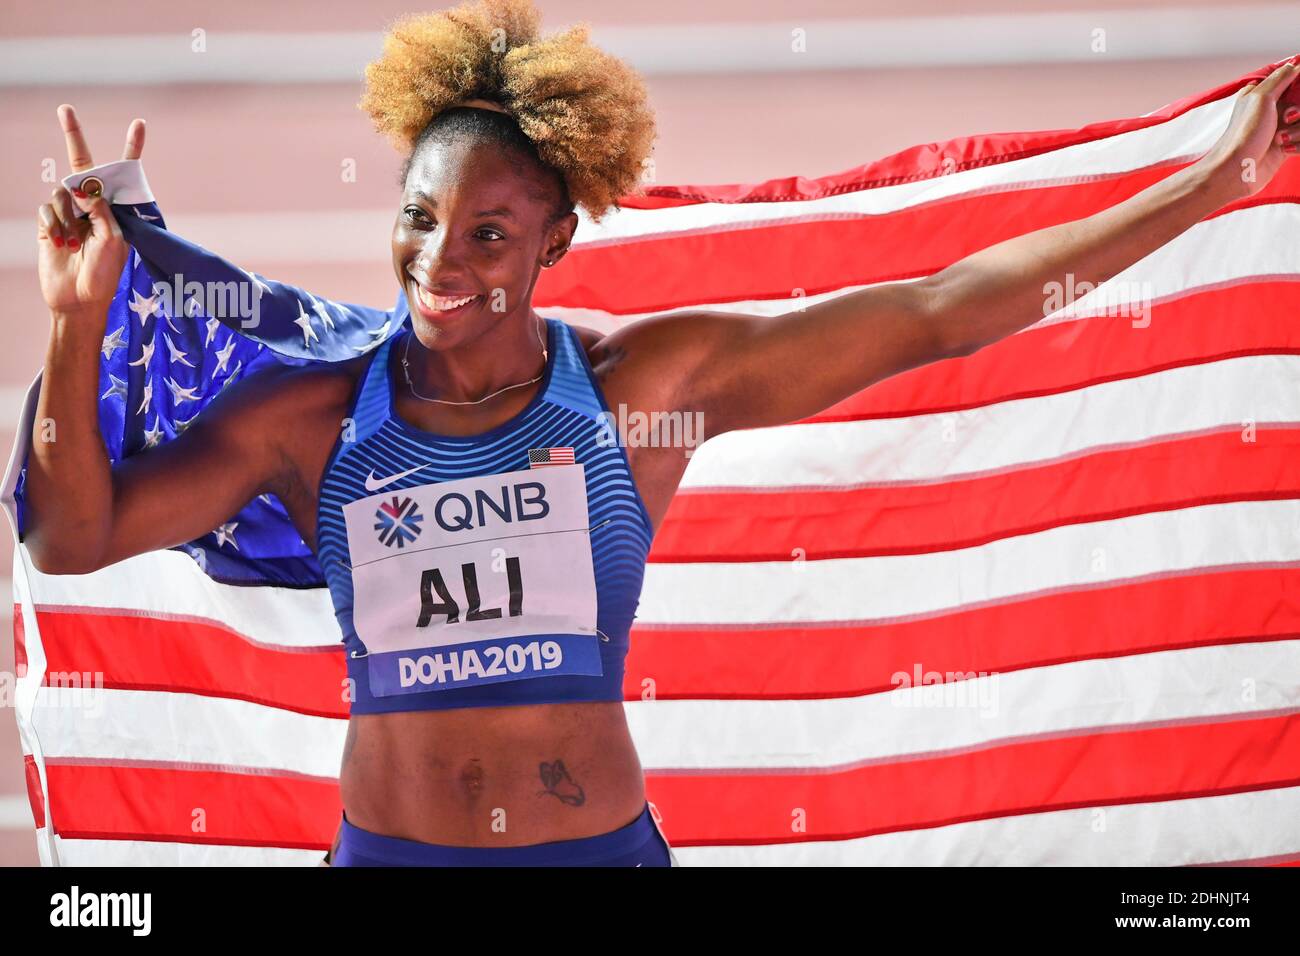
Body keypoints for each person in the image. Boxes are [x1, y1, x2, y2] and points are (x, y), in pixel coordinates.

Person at [27, 0, 1300, 866]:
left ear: (554, 243)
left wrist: (1213, 186)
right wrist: (75, 327)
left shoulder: (635, 390)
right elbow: (74, 539)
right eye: (420, 218)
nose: (438, 258)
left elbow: (935, 313)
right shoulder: (308, 412)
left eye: (488, 234)